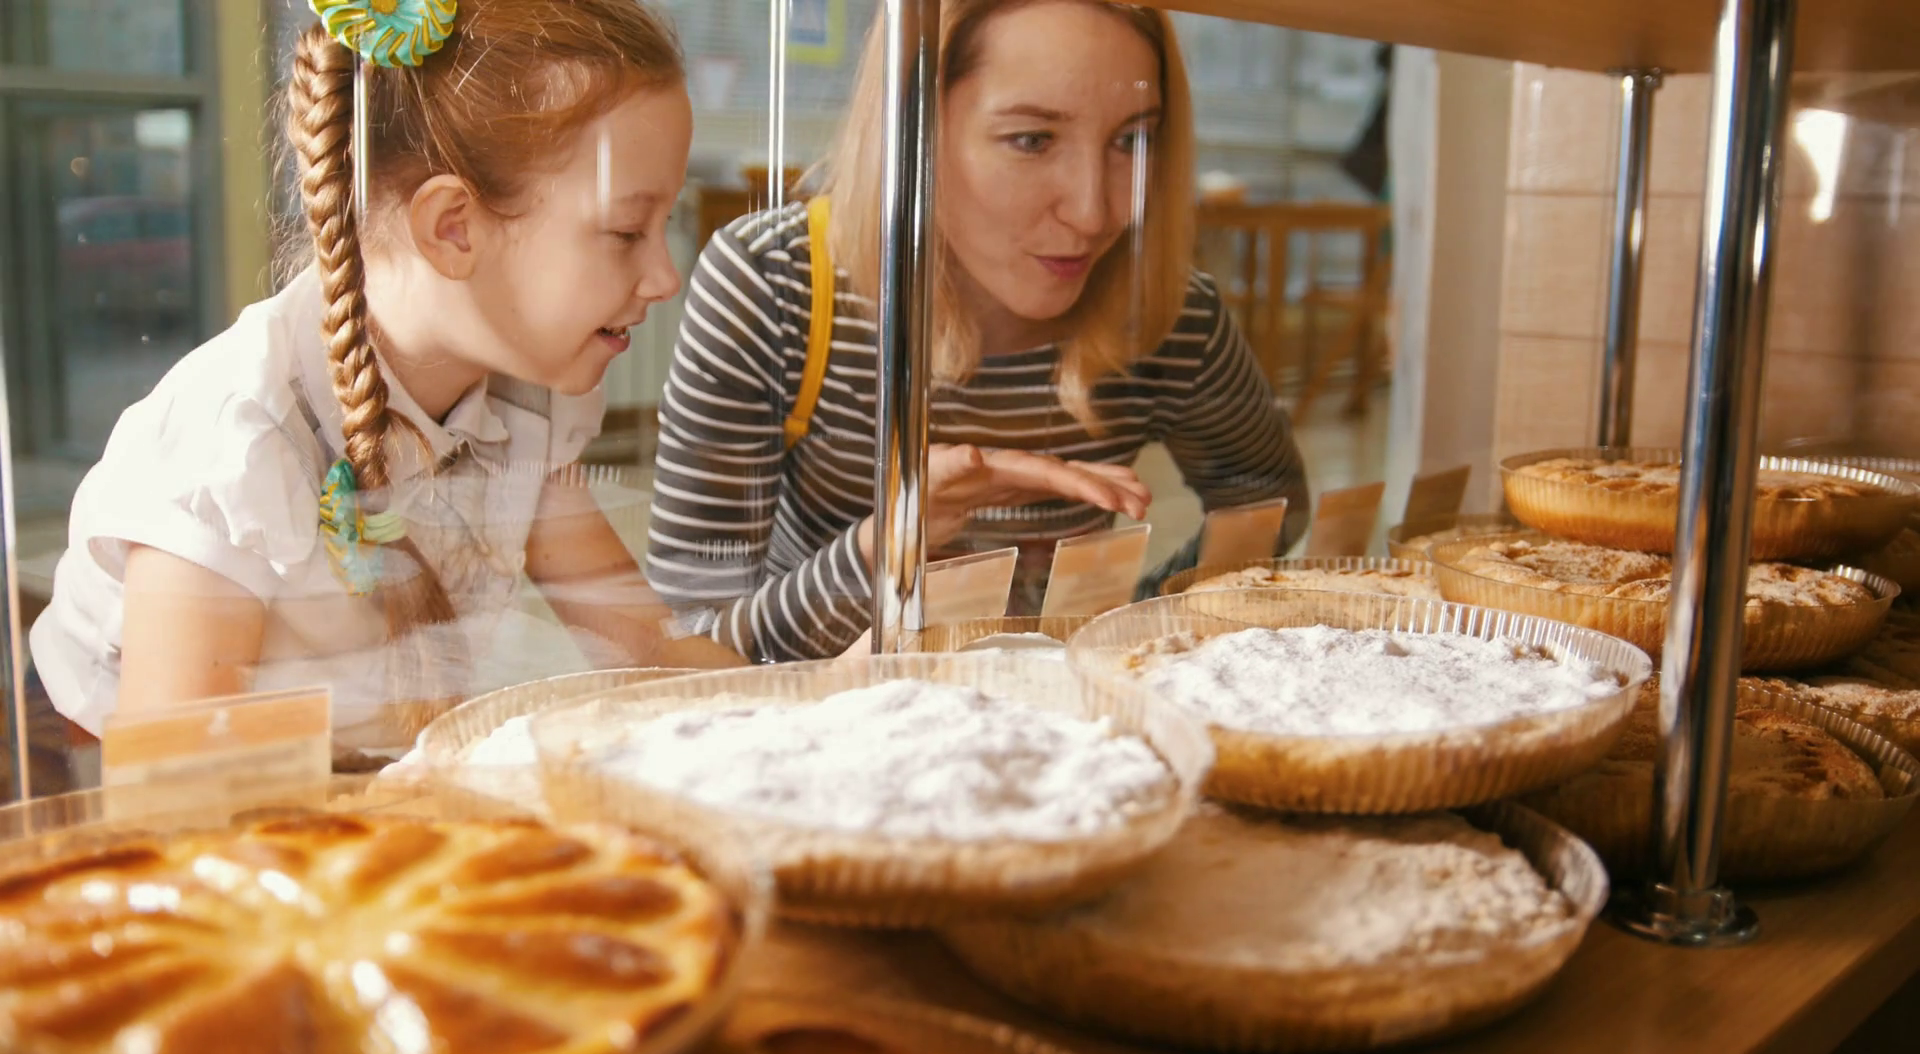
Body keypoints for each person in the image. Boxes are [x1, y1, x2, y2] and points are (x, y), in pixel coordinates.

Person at [30, 0, 743, 769]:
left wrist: (836, 695)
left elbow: (644, 647)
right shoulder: (237, 443)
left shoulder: (533, 395)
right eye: (626, 232)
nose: (667, 278)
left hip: (364, 776)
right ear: (454, 228)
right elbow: (172, 791)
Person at [648, 0, 1310, 663]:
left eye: (1130, 140)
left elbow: (1264, 500)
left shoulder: (1168, 310)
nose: (1094, 211)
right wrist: (893, 540)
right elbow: (690, 643)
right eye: (1032, 140)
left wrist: (1131, 633)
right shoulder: (776, 282)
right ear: (914, 130)